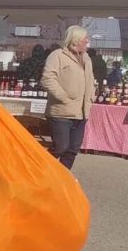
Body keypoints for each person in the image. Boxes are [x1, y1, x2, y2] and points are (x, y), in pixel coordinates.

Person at [41, 26, 95, 169]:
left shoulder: (86, 58)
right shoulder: (57, 55)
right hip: (61, 112)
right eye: (85, 38)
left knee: (72, 150)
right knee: (61, 147)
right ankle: (40, 172)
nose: (87, 41)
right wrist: (63, 97)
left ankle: (62, 178)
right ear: (76, 40)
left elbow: (90, 80)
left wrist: (91, 96)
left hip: (81, 112)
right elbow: (47, 79)